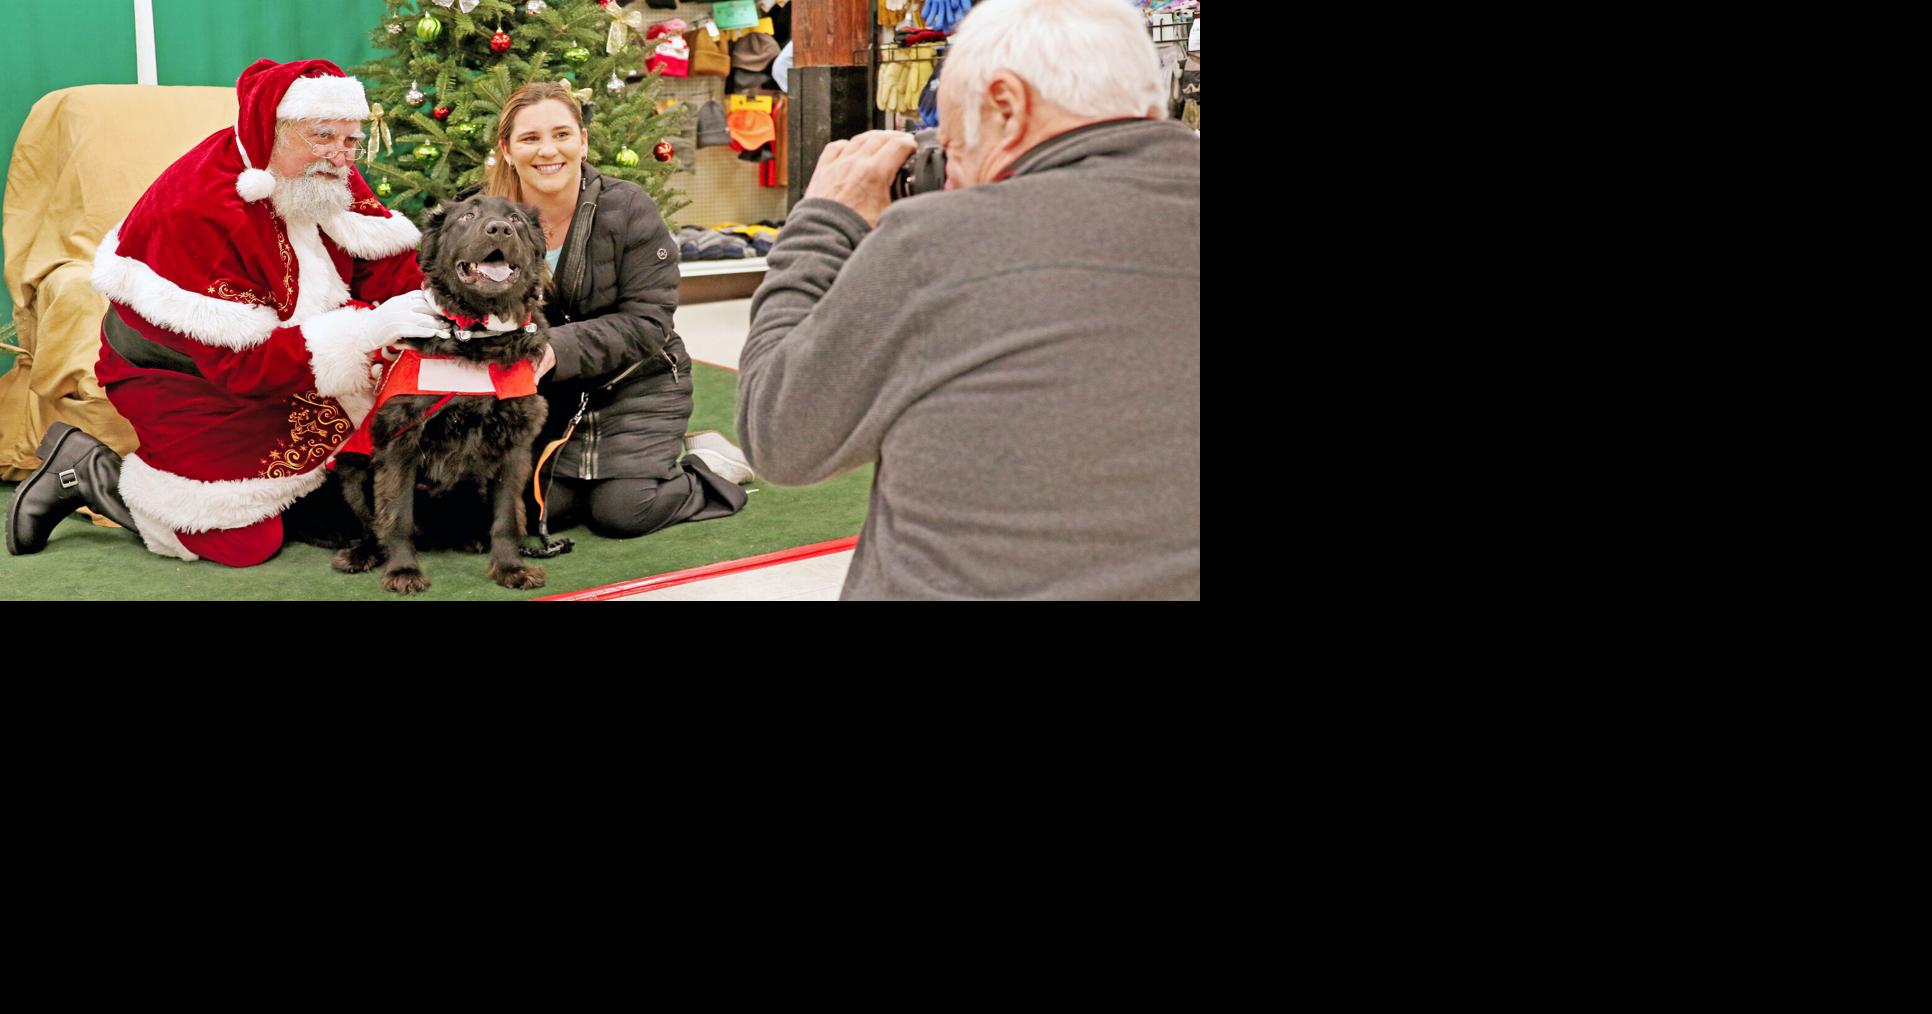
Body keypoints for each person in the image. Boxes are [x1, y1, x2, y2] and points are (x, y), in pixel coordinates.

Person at [735, 0, 1200, 600]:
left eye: (952, 148)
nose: (948, 180)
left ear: (1007, 105)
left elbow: (779, 436)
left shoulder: (937, 245)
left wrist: (822, 223)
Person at [6, 58, 439, 564]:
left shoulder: (320, 171)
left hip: (282, 354)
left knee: (374, 441)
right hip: (183, 375)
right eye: (324, 136)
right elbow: (241, 364)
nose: (341, 157)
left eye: (350, 140)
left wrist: (438, 303)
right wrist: (371, 329)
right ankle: (89, 471)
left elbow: (384, 263)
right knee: (242, 543)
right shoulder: (202, 210)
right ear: (270, 131)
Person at [481, 81, 750, 541]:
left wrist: (552, 349)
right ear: (507, 149)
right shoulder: (482, 217)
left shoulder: (627, 208)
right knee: (538, 509)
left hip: (637, 383)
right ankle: (607, 474)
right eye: (530, 139)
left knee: (622, 511)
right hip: (547, 397)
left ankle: (706, 465)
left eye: (562, 134)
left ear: (583, 140)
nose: (548, 150)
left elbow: (648, 323)